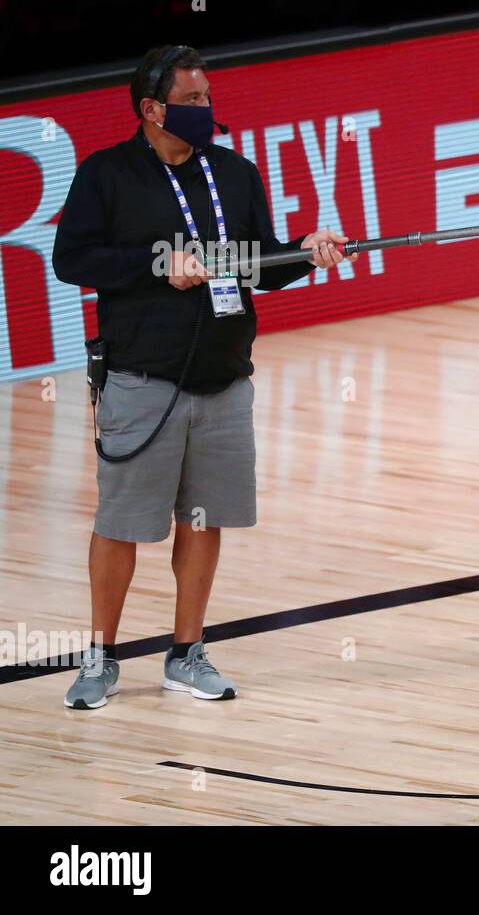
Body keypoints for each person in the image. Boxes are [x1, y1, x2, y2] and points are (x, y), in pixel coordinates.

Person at [53, 44, 356, 709]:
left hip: (224, 378)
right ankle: (100, 659)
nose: (204, 110)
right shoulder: (107, 175)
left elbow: (260, 265)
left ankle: (185, 652)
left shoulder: (235, 175)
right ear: (151, 108)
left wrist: (306, 254)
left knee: (203, 518)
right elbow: (71, 260)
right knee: (121, 523)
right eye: (190, 101)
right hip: (143, 377)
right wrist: (158, 265)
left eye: (206, 99)